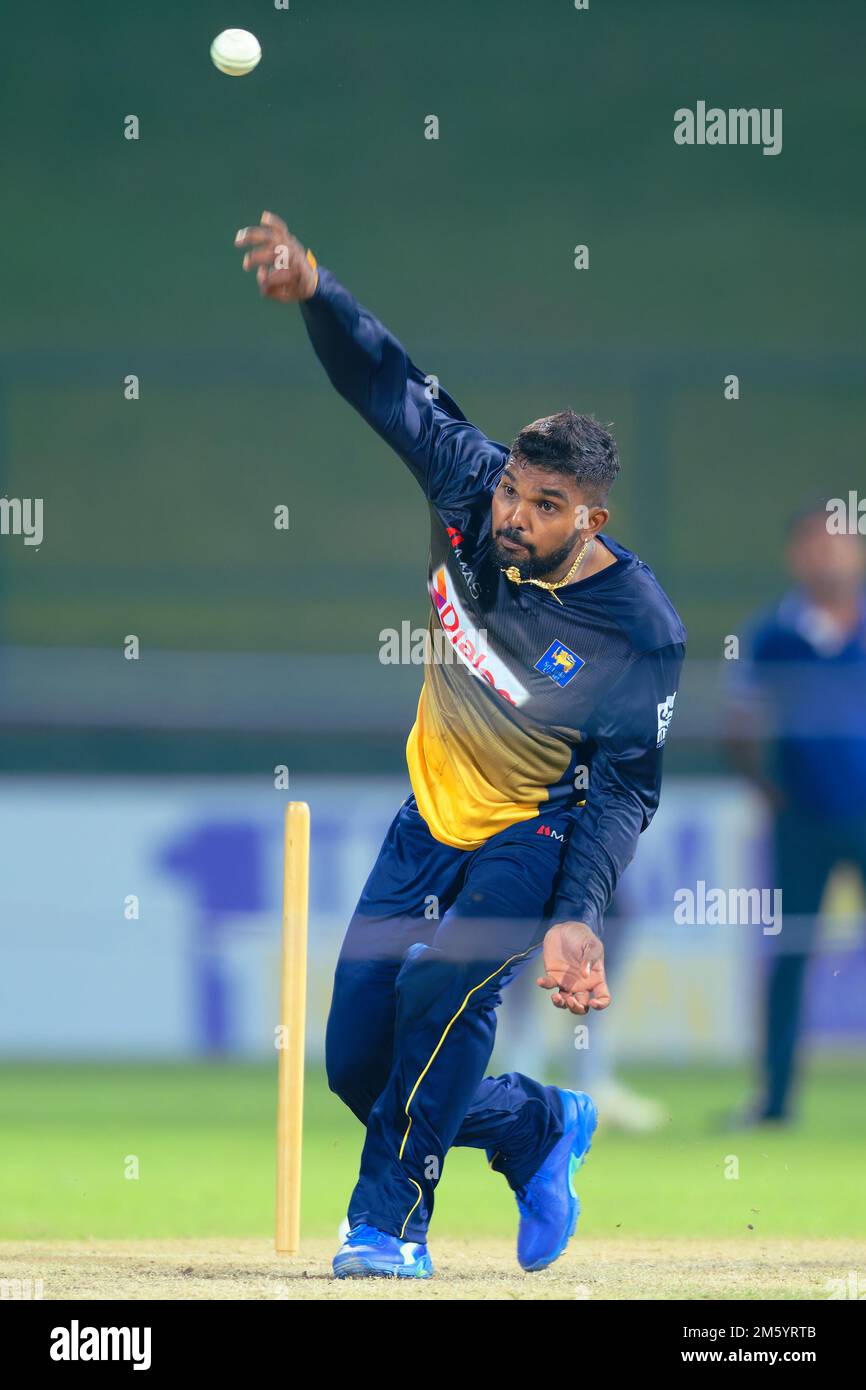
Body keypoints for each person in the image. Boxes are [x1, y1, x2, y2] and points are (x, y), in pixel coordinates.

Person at [234, 213, 686, 1278]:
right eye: (508, 491)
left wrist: (575, 917)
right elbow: (383, 382)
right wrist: (314, 290)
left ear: (591, 516)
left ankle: (386, 1226)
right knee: (360, 1063)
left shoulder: (637, 628)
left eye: (543, 505)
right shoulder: (465, 486)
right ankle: (532, 1125)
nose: (510, 515)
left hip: (534, 832)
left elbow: (624, 788)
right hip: (428, 816)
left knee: (441, 996)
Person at [727, 502, 866, 1124]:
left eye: (839, 543)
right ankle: (776, 1103)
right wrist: (773, 792)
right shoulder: (772, 634)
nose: (828, 556)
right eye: (814, 544)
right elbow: (739, 724)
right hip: (802, 821)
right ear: (796, 556)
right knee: (789, 955)